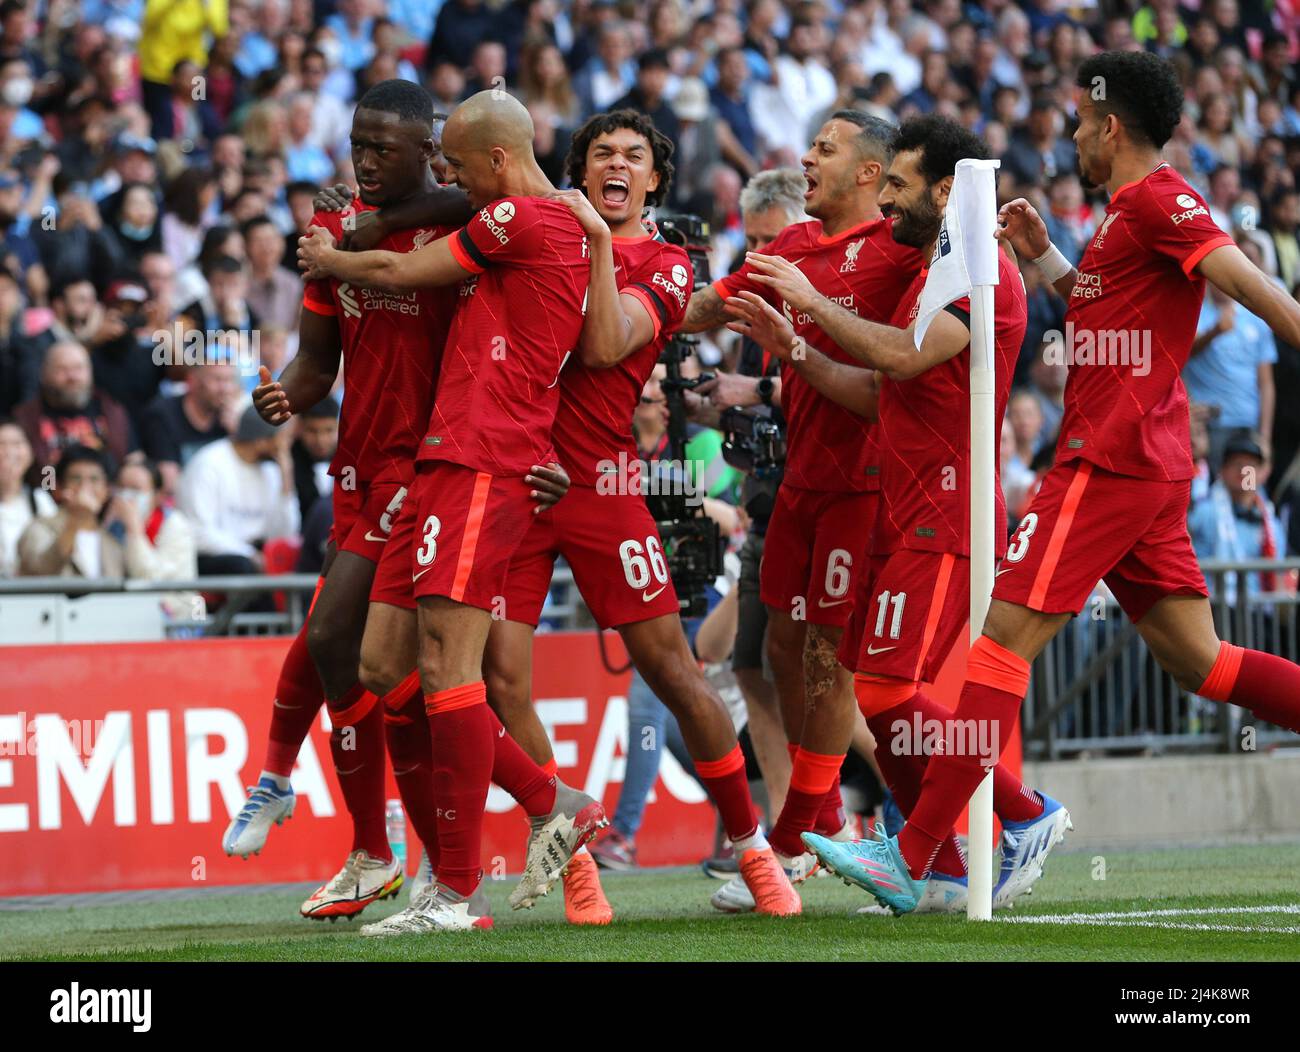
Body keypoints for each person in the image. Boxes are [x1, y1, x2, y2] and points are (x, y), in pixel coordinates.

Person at [808, 51, 1300, 915]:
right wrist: (1046, 262)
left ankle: (916, 852)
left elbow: (1244, 281)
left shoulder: (1158, 199)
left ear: (1110, 125)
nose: (1072, 134)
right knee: (1201, 662)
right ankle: (955, 839)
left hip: (1106, 462)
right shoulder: (1124, 217)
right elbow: (1110, 318)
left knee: (998, 644)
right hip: (1144, 464)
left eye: (1078, 120)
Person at [729, 114, 1060, 913]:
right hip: (908, 510)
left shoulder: (979, 273)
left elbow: (900, 357)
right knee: (880, 688)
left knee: (885, 688)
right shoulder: (933, 273)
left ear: (945, 190)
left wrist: (808, 299)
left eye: (903, 188)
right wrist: (796, 345)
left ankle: (1018, 815)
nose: (890, 206)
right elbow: (880, 392)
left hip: (945, 515)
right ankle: (943, 859)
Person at [297, 89, 605, 934]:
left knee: (449, 672)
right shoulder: (529, 220)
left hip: (485, 460)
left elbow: (398, 268)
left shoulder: (525, 220)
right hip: (440, 461)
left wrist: (332, 256)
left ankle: (458, 895)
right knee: (381, 662)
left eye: (459, 168)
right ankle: (550, 801)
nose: (450, 183)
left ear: (498, 164)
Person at [483, 109, 801, 920]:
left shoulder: (665, 263)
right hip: (516, 482)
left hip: (601, 484)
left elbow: (599, 346)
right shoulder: (536, 230)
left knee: (677, 672)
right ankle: (575, 863)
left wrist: (589, 242)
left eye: (633, 157)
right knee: (501, 679)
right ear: (580, 172)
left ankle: (754, 850)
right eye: (601, 155)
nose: (616, 166)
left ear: (654, 180)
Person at [680, 111, 924, 908]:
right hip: (798, 483)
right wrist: (629, 314)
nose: (807, 157)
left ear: (868, 173)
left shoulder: (899, 250)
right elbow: (704, 307)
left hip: (865, 484)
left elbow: (911, 366)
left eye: (825, 148)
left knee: (827, 658)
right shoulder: (783, 249)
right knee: (775, 652)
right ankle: (832, 825)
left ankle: (795, 843)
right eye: (810, 144)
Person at [176, 404, 299, 576]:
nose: (287, 447)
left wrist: (287, 484)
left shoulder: (271, 471)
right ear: (261, 441)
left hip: (255, 552)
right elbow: (199, 533)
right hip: (213, 557)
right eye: (284, 439)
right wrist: (249, 554)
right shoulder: (209, 464)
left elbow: (284, 535)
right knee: (243, 566)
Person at [17, 444, 151, 580]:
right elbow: (40, 570)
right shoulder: (39, 527)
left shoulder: (112, 542)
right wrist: (76, 519)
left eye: (94, 479)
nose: (85, 487)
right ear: (59, 488)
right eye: (76, 479)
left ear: (106, 491)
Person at [13, 340, 135, 480]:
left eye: (79, 368)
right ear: (44, 374)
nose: (72, 377)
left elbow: (131, 459)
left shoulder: (113, 412)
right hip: (45, 496)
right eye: (62, 369)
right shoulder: (25, 418)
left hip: (103, 497)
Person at [0, 417, 55, 576]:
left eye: (17, 444)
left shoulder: (40, 500)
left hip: (31, 594)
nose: (9, 452)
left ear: (31, 453)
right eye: (1, 444)